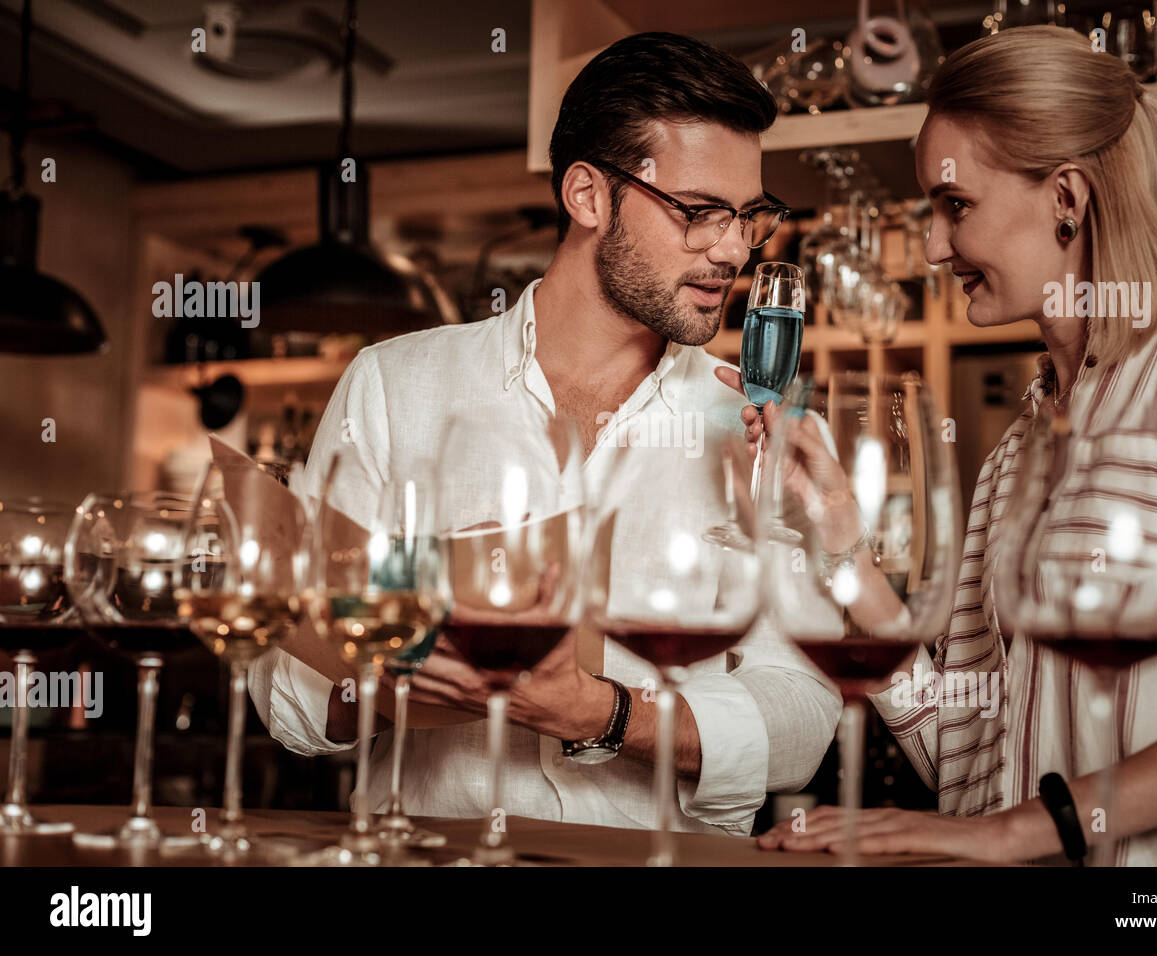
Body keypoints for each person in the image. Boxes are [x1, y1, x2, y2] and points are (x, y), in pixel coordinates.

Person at [248, 31, 840, 837]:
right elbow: (290, 696)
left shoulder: (767, 431)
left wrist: (600, 714)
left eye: (749, 217)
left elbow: (804, 718)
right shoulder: (393, 386)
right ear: (589, 196)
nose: (732, 249)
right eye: (700, 213)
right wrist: (406, 680)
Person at [756, 25, 1157, 864]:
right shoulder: (1020, 450)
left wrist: (1023, 829)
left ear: (1067, 198)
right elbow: (971, 765)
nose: (935, 248)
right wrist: (842, 548)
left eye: (955, 206)